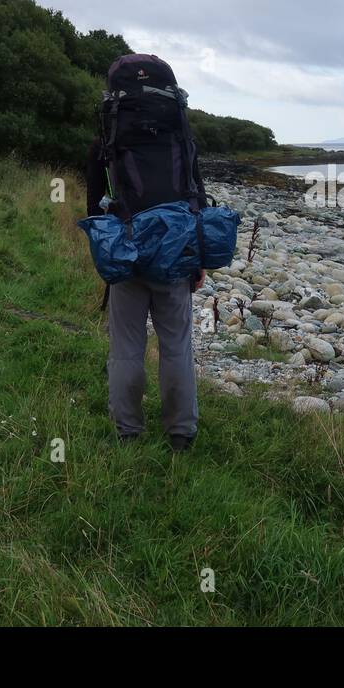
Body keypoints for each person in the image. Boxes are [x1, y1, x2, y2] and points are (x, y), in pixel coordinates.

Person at [85, 53, 205, 452]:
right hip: (176, 258)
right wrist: (198, 259)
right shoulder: (182, 138)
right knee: (176, 346)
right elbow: (196, 198)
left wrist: (109, 255)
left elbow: (93, 208)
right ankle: (181, 433)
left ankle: (127, 431)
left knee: (126, 348)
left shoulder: (107, 142)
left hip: (127, 254)